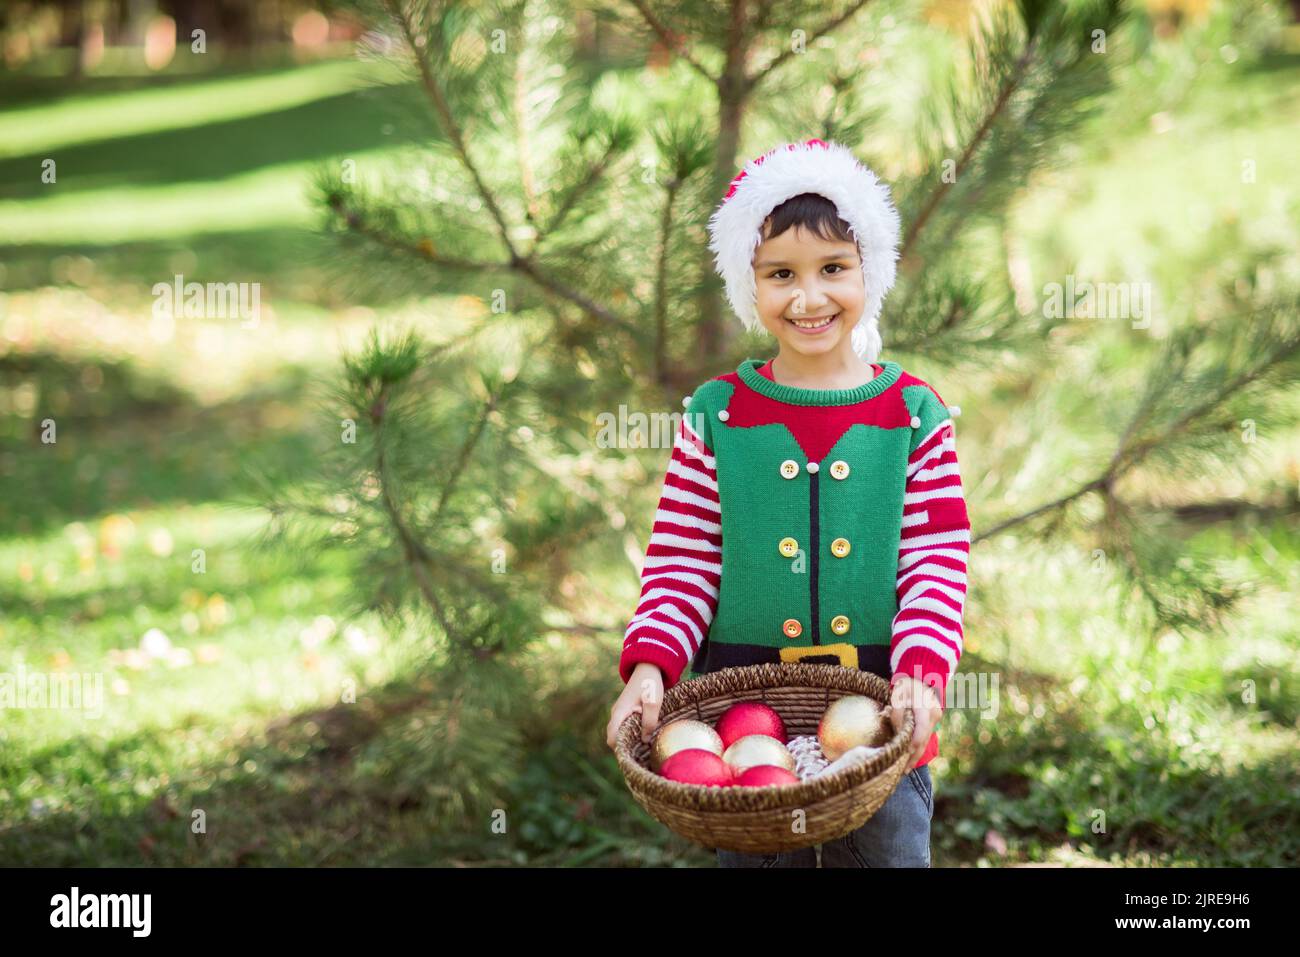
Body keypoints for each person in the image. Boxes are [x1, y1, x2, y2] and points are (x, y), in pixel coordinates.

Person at [605, 139, 969, 867]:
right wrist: (651, 666)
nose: (808, 298)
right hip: (746, 740)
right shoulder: (719, 414)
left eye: (833, 268)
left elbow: (936, 560)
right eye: (781, 274)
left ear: (872, 269)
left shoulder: (913, 414)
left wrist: (920, 672)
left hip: (880, 724)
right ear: (751, 283)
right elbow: (683, 560)